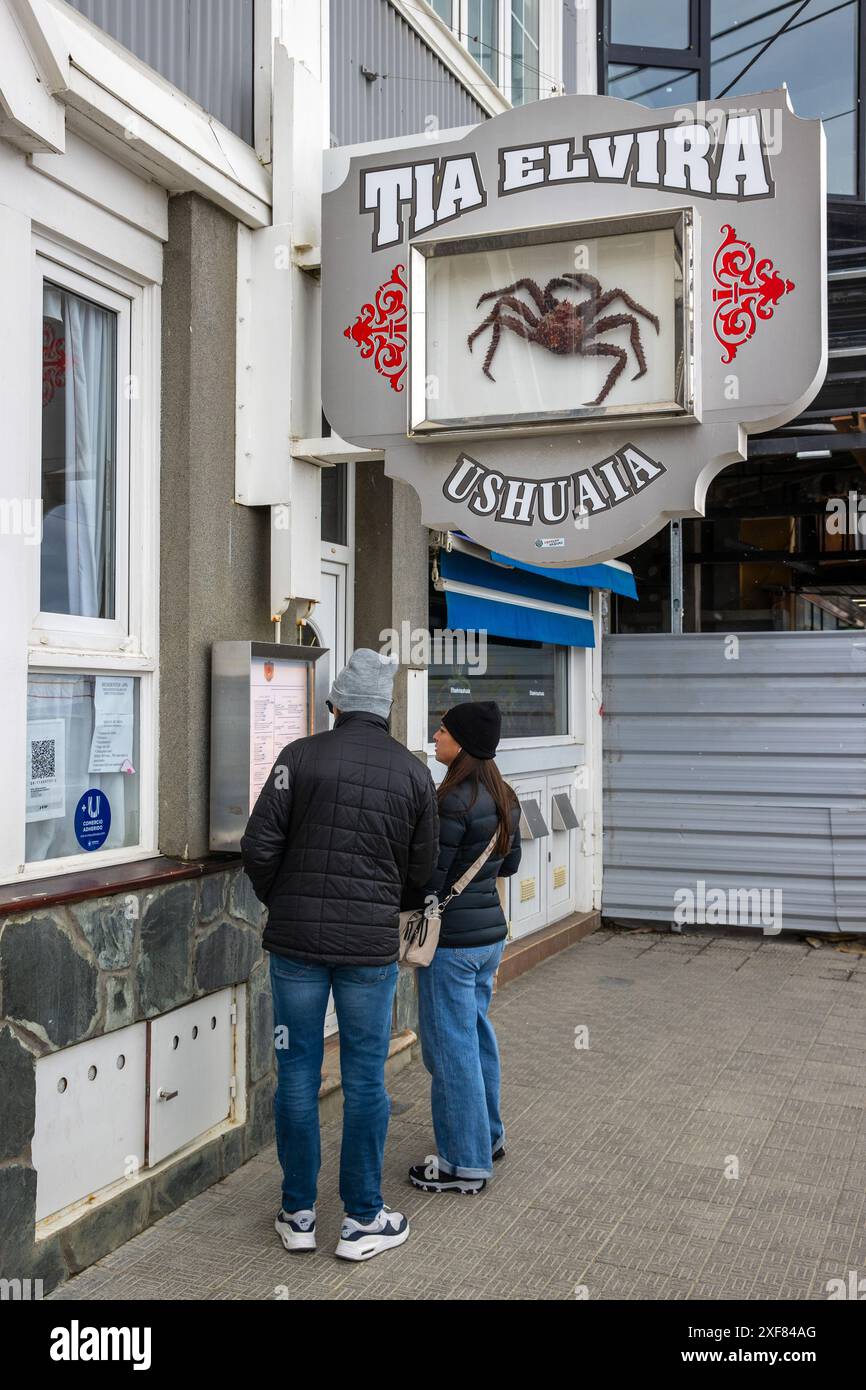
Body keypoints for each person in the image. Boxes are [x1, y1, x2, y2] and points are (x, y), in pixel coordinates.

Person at [241, 649, 438, 1261]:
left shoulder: (297, 758)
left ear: (335, 704)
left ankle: (298, 1213)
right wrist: (382, 905)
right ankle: (361, 1218)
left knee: (296, 1073)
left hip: (294, 948)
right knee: (364, 1078)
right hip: (368, 955)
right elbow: (422, 872)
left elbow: (257, 845)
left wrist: (285, 899)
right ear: (386, 710)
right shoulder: (413, 773)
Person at [407, 700, 521, 1196]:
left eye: (443, 730)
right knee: (475, 1038)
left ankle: (464, 1163)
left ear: (463, 744)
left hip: (451, 945)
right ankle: (488, 1137)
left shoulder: (452, 801)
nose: (435, 736)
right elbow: (509, 866)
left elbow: (429, 877)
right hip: (489, 939)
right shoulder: (505, 796)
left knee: (450, 1049)